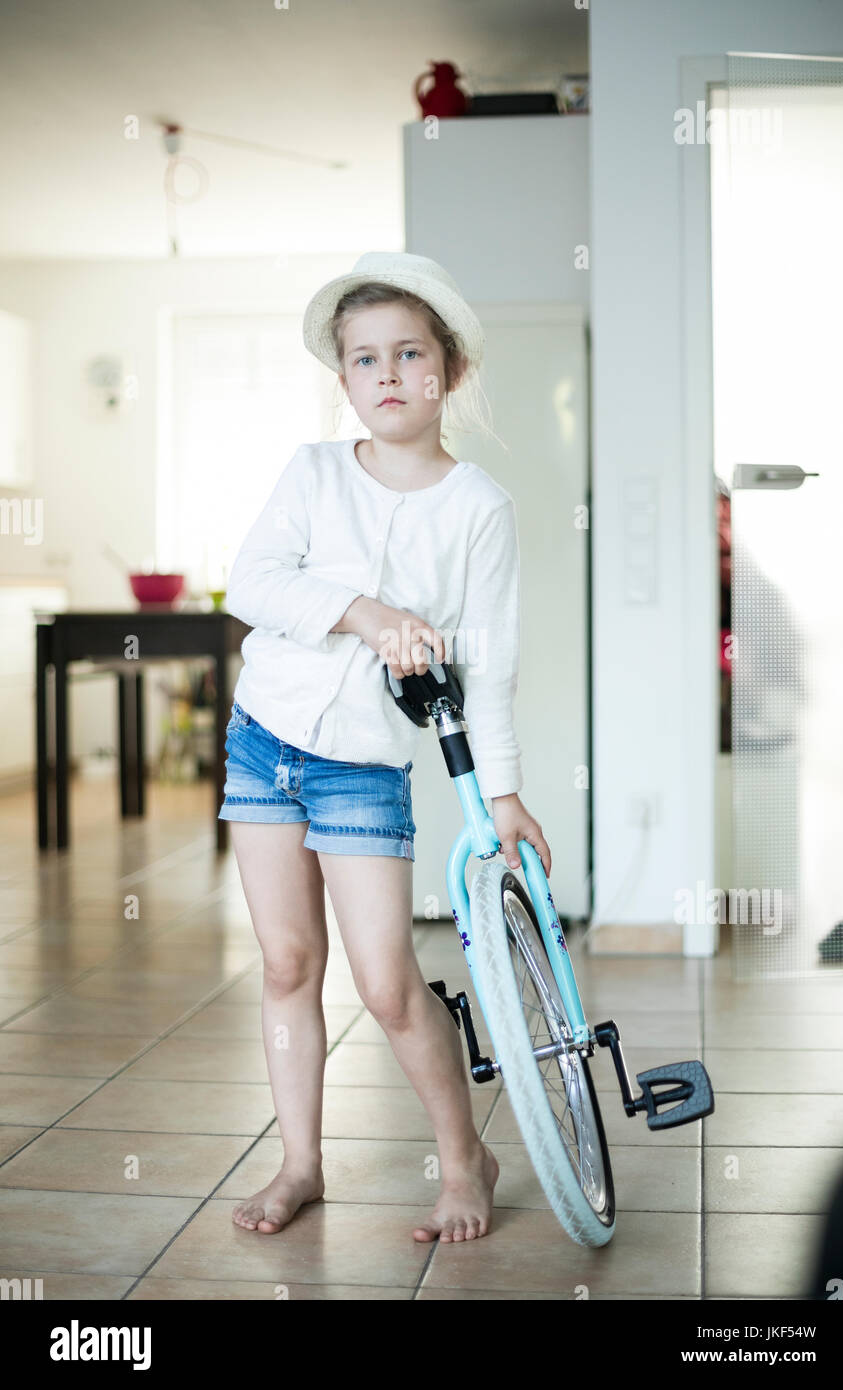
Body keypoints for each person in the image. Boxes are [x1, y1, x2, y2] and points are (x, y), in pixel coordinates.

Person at [219, 251, 551, 1243]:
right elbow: (250, 584)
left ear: (447, 369)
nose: (389, 374)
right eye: (366, 359)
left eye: (409, 353)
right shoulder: (313, 472)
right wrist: (364, 612)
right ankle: (300, 1163)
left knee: (386, 981)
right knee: (285, 963)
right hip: (261, 741)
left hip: (360, 766)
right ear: (344, 382)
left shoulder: (477, 509)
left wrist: (502, 798)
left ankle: (466, 1162)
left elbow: (487, 670)